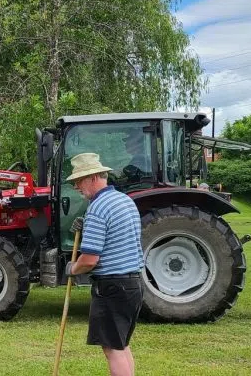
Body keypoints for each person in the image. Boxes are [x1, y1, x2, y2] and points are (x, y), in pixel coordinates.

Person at [64, 152, 144, 376]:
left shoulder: (98, 208)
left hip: (113, 287)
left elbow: (90, 259)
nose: (77, 187)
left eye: (78, 181)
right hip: (133, 284)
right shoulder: (124, 200)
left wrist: (73, 269)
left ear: (93, 177)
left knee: (112, 350)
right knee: (121, 345)